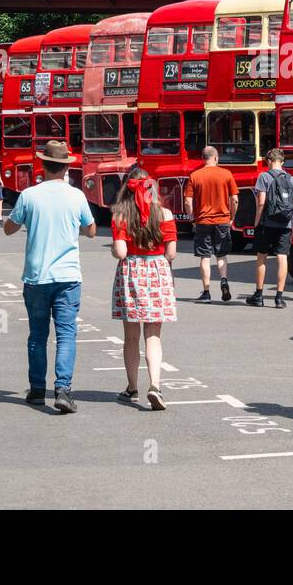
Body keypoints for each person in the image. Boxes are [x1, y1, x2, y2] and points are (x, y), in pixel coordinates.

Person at [3, 139, 97, 414]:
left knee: (37, 335)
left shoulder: (29, 195)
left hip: (36, 276)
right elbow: (91, 230)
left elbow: (9, 229)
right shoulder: (76, 196)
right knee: (66, 334)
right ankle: (63, 390)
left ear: (42, 165)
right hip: (67, 275)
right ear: (65, 167)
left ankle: (35, 389)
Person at [111, 168, 179, 409]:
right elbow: (170, 254)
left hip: (131, 273)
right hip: (157, 272)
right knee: (153, 336)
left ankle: (132, 388)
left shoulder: (120, 215)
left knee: (131, 337)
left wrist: (113, 249)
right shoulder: (165, 213)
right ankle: (155, 385)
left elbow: (121, 252)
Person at [184, 146, 239, 304]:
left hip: (203, 221)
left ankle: (206, 291)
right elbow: (235, 199)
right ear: (216, 158)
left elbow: (188, 201)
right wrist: (231, 217)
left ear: (203, 158)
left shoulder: (195, 175)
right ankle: (223, 280)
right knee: (221, 255)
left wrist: (192, 219)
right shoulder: (226, 174)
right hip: (222, 220)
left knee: (205, 257)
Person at [249, 148, 293, 308]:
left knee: (261, 257)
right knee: (282, 258)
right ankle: (279, 298)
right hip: (285, 224)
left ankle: (259, 295)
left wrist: (256, 222)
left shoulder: (264, 176)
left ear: (269, 161)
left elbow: (261, 202)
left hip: (266, 223)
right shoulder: (291, 179)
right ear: (282, 162)